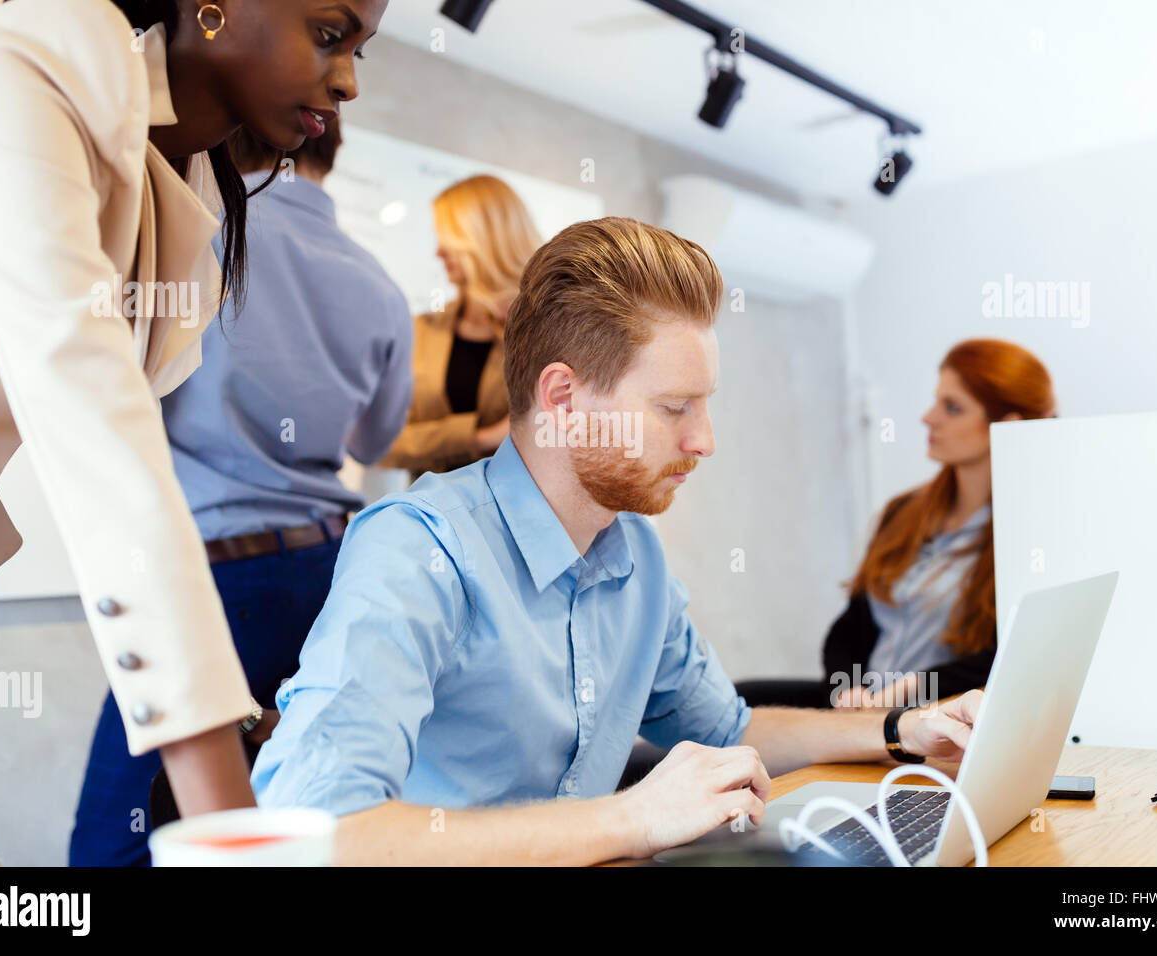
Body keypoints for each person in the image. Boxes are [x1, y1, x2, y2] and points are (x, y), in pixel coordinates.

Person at [251, 217, 983, 865]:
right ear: (565, 399)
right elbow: (312, 832)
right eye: (674, 408)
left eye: (704, 405)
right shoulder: (420, 551)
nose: (704, 441)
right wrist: (632, 818)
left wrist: (902, 729)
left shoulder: (637, 558)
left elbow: (733, 728)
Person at [0, 0, 387, 863]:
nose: (349, 82)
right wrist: (232, 819)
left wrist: (226, 706)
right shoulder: (16, 71)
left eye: (362, 50)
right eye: (330, 34)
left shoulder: (191, 188)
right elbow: (90, 417)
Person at [70, 118, 413, 866]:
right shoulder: (380, 285)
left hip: (212, 582)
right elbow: (375, 445)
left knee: (112, 847)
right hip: (328, 576)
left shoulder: (192, 238)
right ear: (331, 151)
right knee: (289, 815)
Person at [738, 339, 1056, 711]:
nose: (928, 417)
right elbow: (852, 627)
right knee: (738, 702)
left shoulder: (1031, 534)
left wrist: (910, 689)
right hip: (865, 711)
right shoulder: (904, 512)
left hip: (939, 717)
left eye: (952, 408)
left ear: (1006, 426)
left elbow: (1006, 659)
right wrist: (847, 689)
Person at [379, 174, 541, 479]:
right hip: (428, 517)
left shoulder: (545, 332)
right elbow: (383, 442)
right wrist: (482, 437)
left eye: (447, 237)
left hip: (513, 518)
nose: (438, 252)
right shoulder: (421, 330)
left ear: (483, 239)